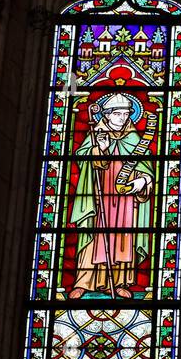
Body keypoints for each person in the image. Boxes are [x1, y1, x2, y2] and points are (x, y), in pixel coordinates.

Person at [67, 92, 153, 298]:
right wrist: (101, 150)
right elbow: (83, 159)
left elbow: (146, 165)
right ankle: (84, 281)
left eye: (126, 114)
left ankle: (119, 282)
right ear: (106, 115)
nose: (122, 118)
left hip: (125, 199)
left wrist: (142, 181)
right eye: (117, 114)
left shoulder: (134, 139)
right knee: (94, 236)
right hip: (99, 196)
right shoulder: (96, 135)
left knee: (123, 238)